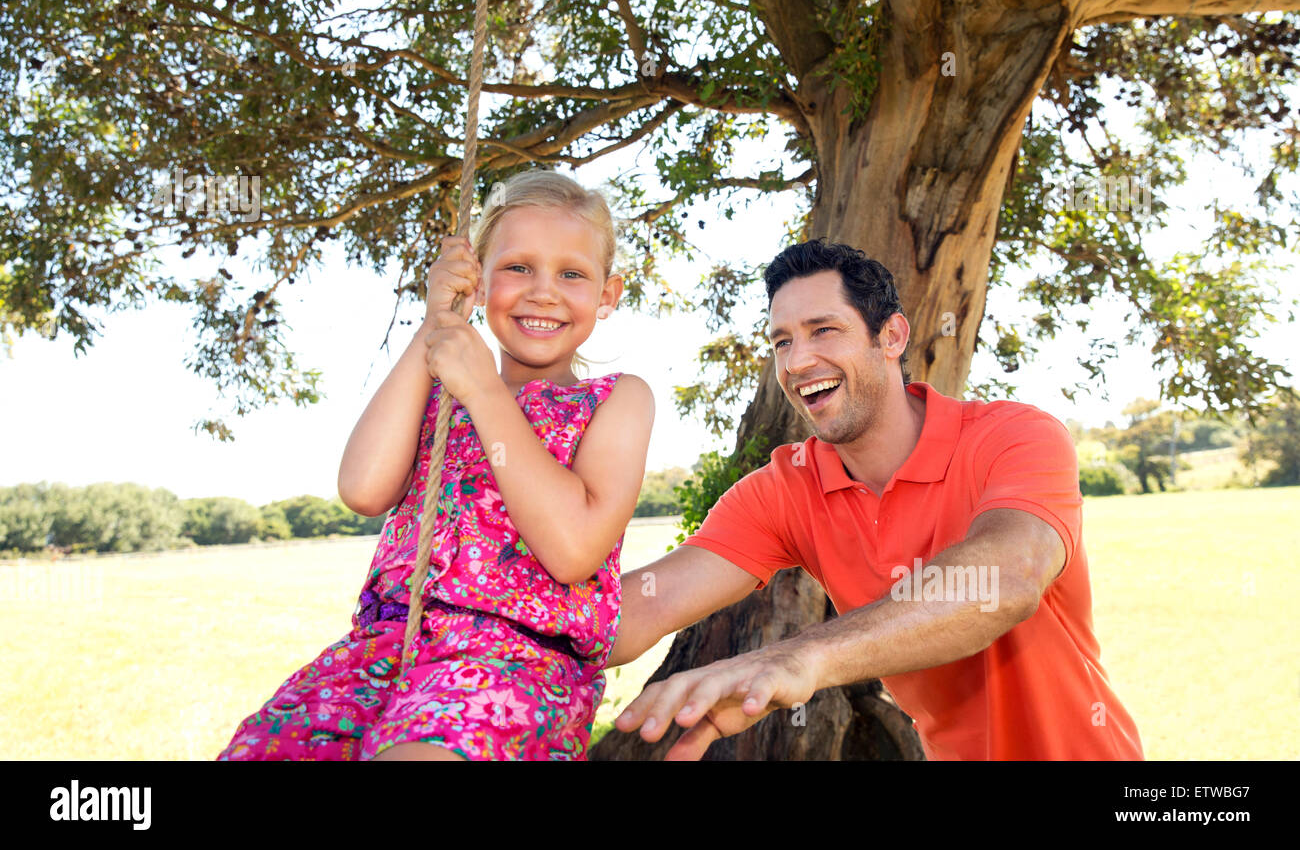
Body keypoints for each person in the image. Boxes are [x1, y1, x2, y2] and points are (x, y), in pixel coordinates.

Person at [607, 239, 1143, 761]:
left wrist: (804, 657)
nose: (796, 362)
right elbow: (642, 606)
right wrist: (529, 631)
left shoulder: (1014, 436)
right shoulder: (785, 490)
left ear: (891, 336)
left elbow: (1008, 577)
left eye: (823, 330)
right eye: (782, 342)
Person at [217, 170, 654, 761]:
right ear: (477, 282)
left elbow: (574, 549)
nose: (543, 292)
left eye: (572, 274)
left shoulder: (615, 399)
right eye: (517, 267)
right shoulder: (439, 396)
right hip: (383, 649)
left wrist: (485, 393)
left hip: (512, 666)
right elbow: (364, 488)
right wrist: (437, 322)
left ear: (607, 295)